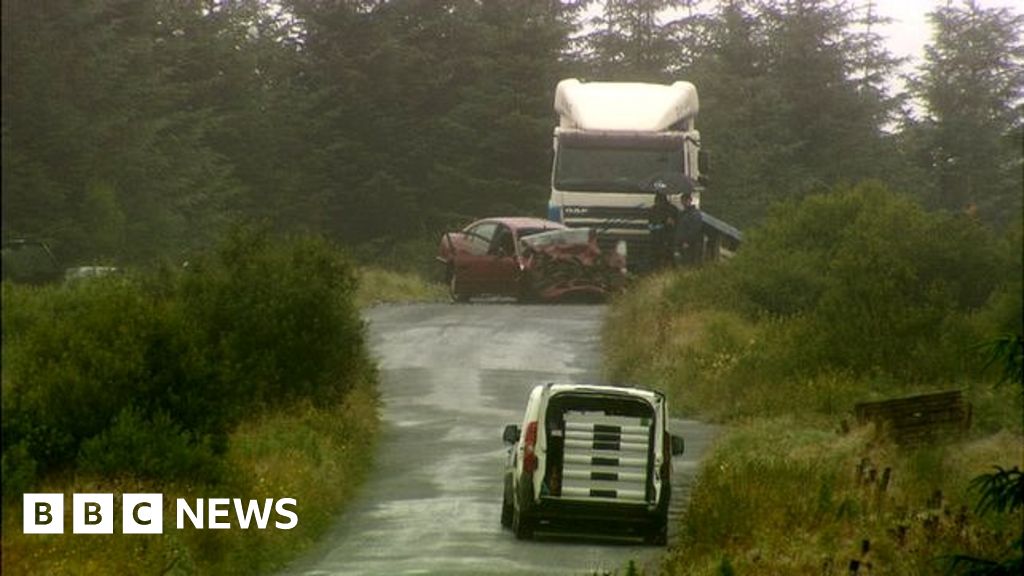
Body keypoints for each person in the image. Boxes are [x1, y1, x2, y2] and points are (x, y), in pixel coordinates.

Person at [648, 190, 678, 270]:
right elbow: (650, 224)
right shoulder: (653, 210)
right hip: (657, 237)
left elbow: (676, 224)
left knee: (667, 255)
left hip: (667, 237)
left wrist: (672, 223)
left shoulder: (672, 210)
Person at [674, 191, 703, 266]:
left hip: (690, 244)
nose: (684, 202)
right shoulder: (682, 214)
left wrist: (687, 241)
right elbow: (679, 229)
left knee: (689, 264)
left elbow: (695, 230)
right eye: (683, 200)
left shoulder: (695, 214)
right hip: (680, 243)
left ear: (690, 200)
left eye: (686, 200)